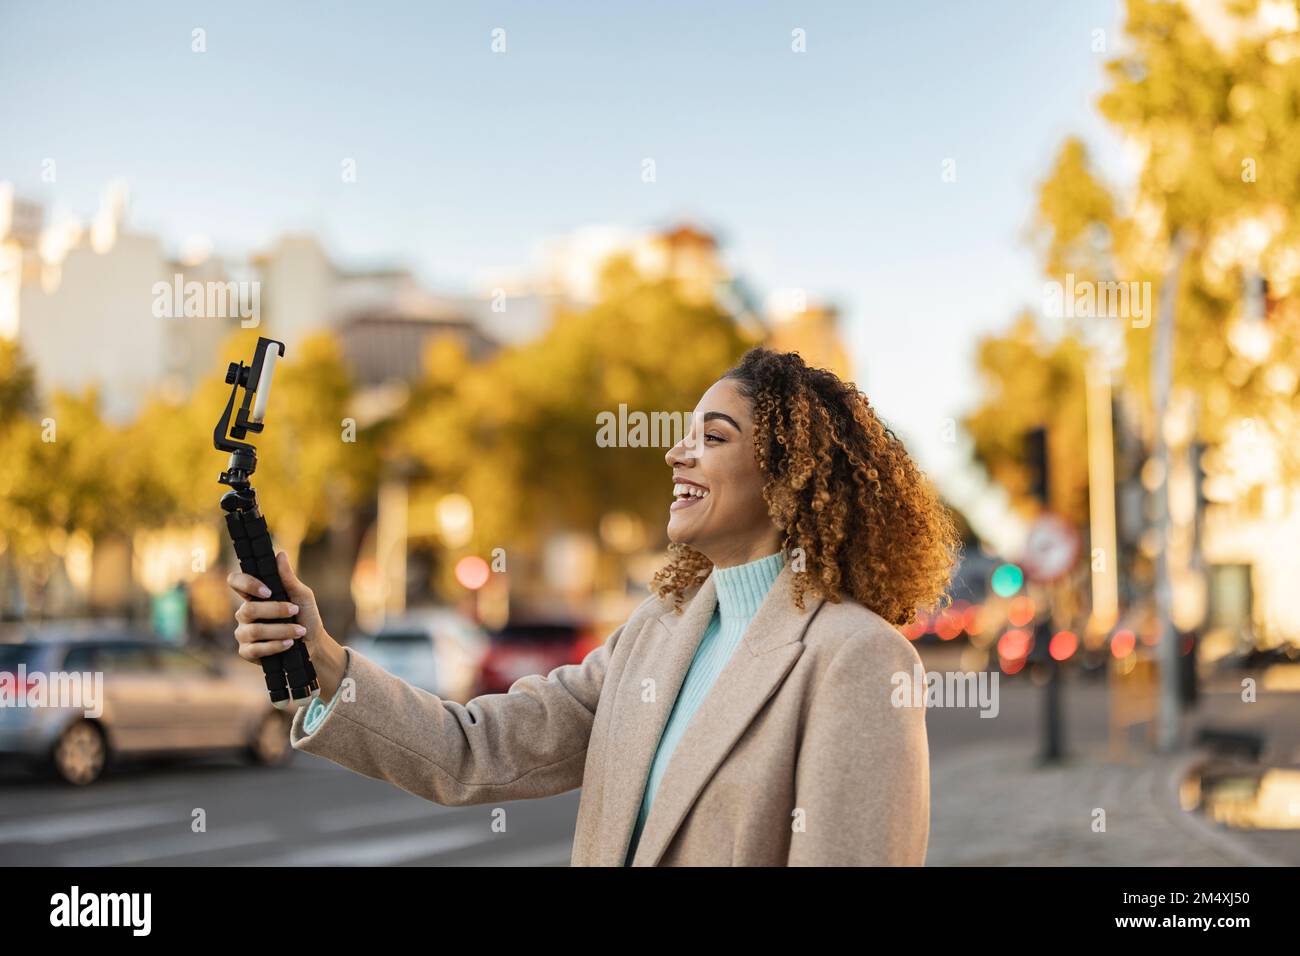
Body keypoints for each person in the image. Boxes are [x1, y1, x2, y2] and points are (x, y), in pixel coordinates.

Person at [228, 347, 961, 865]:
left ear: (789, 476)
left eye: (714, 437)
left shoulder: (857, 658)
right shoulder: (656, 633)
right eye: (683, 434)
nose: (678, 454)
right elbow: (473, 751)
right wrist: (323, 661)